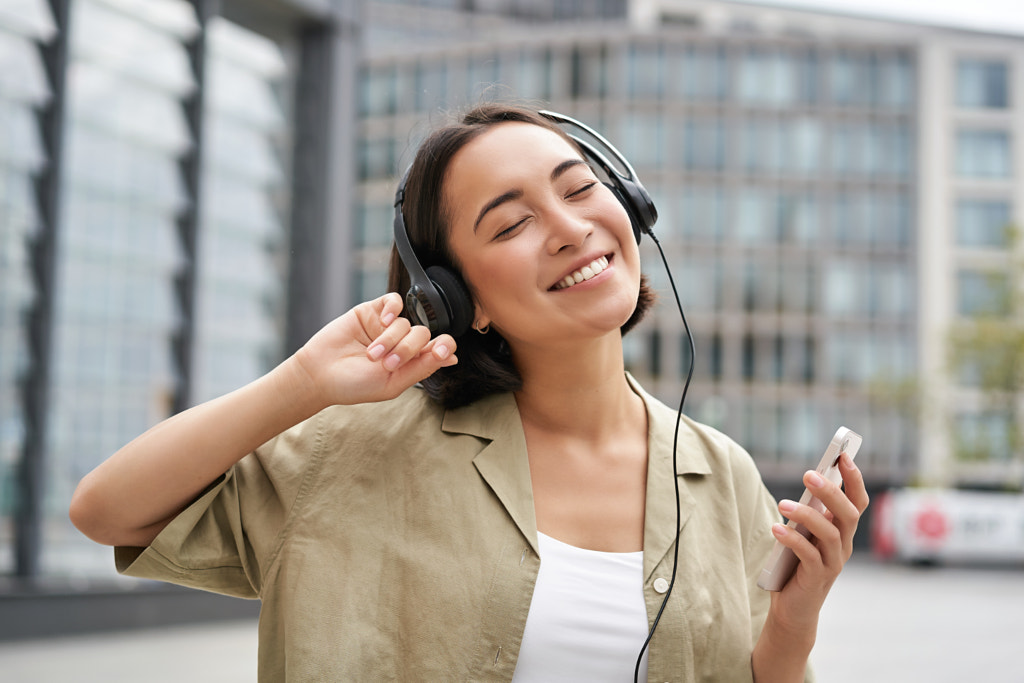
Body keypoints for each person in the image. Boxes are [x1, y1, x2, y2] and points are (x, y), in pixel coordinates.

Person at [70, 103, 868, 682]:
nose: (568, 227)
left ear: (630, 207)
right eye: (509, 224)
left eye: (580, 188)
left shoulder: (720, 471)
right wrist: (304, 383)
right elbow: (106, 511)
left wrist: (792, 634)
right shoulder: (356, 449)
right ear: (457, 298)